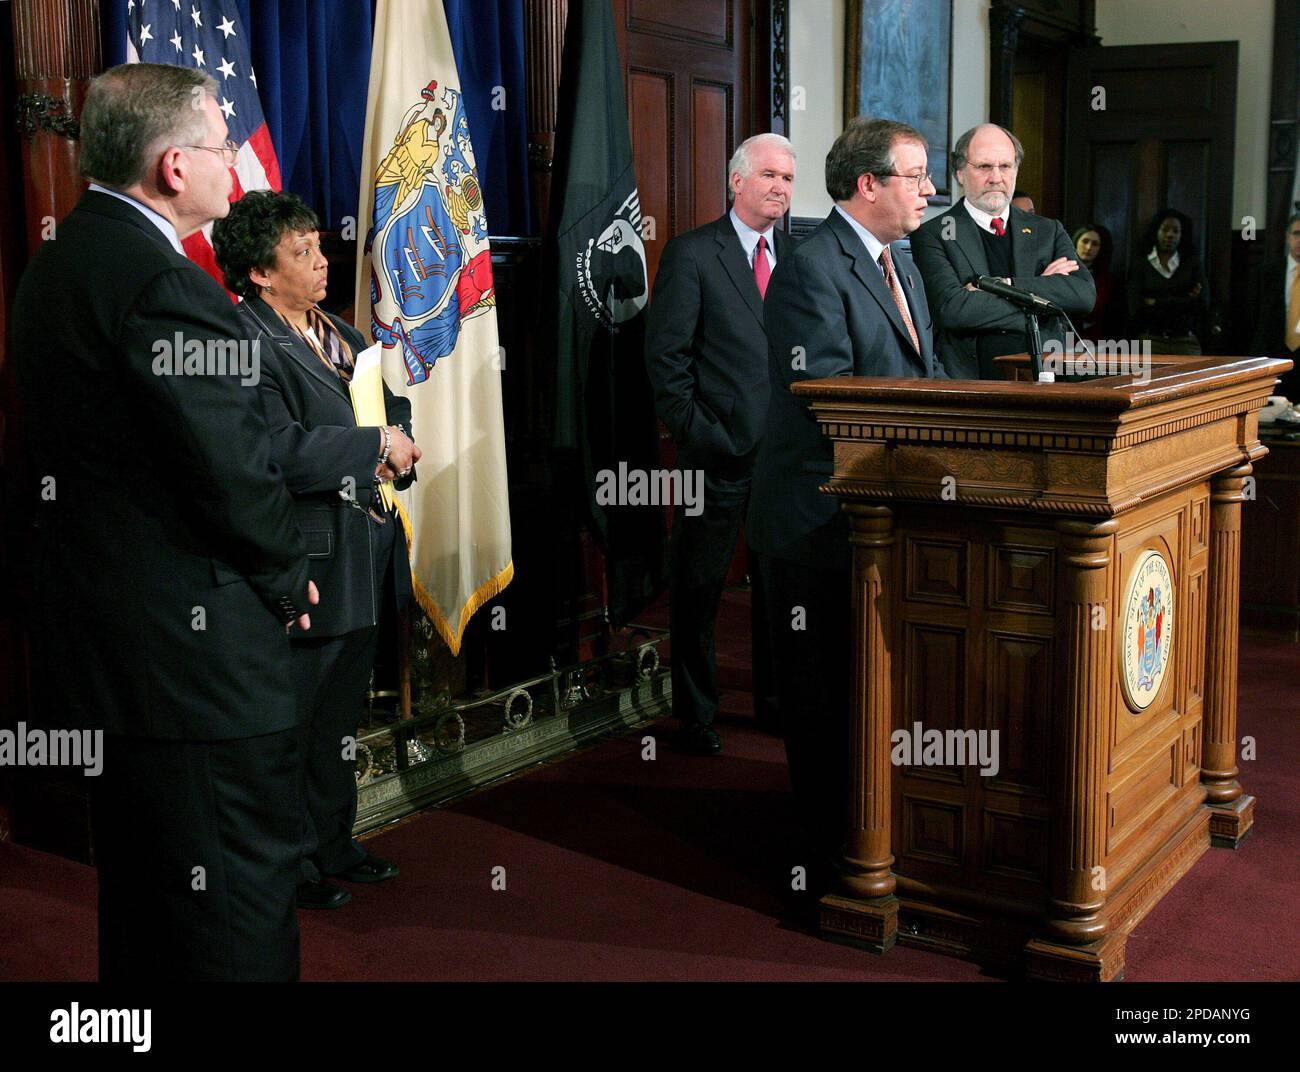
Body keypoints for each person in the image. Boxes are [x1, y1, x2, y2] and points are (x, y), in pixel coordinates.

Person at [12, 63, 316, 980]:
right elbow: (233, 472)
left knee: (148, 904)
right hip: (198, 668)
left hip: (113, 657)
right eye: (226, 149)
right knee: (233, 907)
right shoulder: (163, 285)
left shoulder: (58, 263)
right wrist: (285, 573)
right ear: (175, 166)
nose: (240, 169)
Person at [747, 116, 947, 883]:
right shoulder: (812, 268)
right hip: (818, 520)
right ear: (868, 184)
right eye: (917, 175)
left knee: (870, 696)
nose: (930, 190)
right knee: (823, 702)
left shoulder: (907, 263)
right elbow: (829, 398)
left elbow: (926, 381)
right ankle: (829, 863)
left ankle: (877, 831)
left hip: (885, 516)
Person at [212, 191, 418, 908]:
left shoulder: (345, 336)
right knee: (296, 724)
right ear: (260, 275)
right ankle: (291, 867)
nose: (322, 259)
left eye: (318, 245)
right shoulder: (243, 342)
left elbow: (387, 416)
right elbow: (275, 450)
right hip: (308, 561)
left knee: (339, 718)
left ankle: (334, 843)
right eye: (301, 251)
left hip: (367, 550)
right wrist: (374, 446)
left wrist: (400, 446)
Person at [644, 133, 796, 755]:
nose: (781, 187)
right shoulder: (693, 254)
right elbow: (666, 360)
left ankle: (774, 704)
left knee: (777, 593)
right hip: (716, 457)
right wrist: (701, 435)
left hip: (783, 460)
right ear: (736, 181)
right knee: (701, 589)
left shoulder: (800, 256)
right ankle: (696, 713)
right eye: (769, 176)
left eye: (788, 178)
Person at [911, 124, 1095, 378]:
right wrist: (1043, 301)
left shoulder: (1047, 230)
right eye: (984, 167)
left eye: (1005, 166)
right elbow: (954, 310)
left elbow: (1083, 295)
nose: (996, 177)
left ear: (1016, 171)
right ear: (960, 173)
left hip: (1047, 378)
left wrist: (1003, 285)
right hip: (973, 382)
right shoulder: (934, 233)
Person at [1127, 208, 1208, 356]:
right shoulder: (1141, 265)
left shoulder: (1192, 264)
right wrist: (1186, 299)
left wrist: (1155, 302)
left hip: (1185, 341)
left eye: (1176, 231)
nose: (1170, 235)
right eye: (1165, 230)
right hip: (1151, 340)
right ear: (1156, 231)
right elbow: (1135, 308)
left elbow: (1202, 304)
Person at [1248, 212, 1300, 401]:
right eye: (1296, 234)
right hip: (1274, 355)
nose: (1299, 240)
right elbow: (1253, 317)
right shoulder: (1268, 273)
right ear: (1287, 237)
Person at [1071, 222, 1123, 342]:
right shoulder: (1063, 273)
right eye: (1085, 241)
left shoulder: (1109, 280)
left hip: (1099, 343)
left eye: (1095, 244)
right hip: (1064, 341)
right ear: (1076, 242)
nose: (1088, 248)